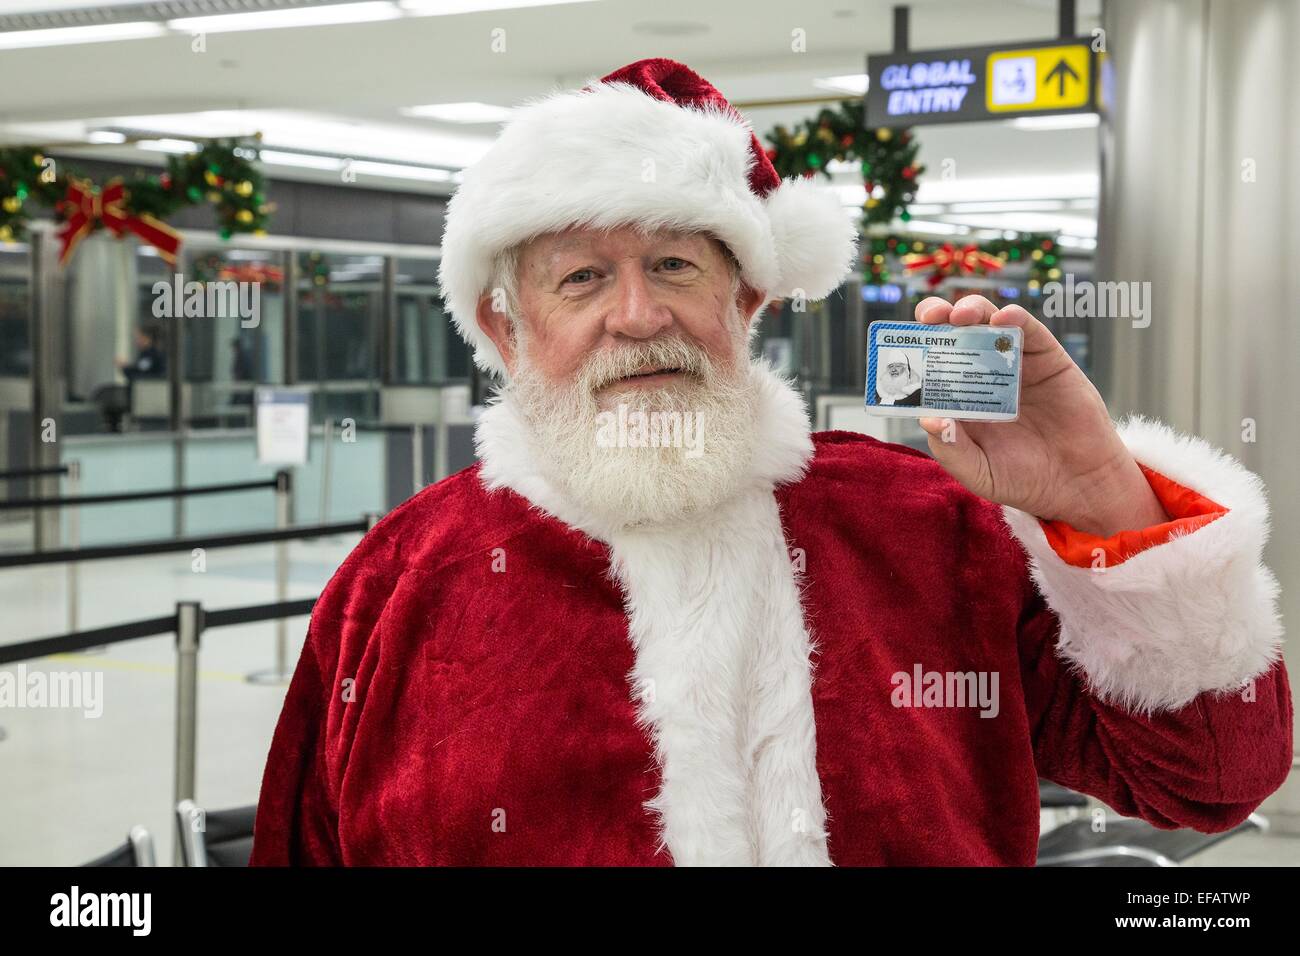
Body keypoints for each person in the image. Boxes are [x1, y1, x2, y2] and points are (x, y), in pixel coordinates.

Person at [250, 58, 1291, 867]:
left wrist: (1097, 495)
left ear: (744, 302)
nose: (637, 314)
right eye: (579, 278)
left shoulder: (924, 523)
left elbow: (1208, 778)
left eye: (673, 265)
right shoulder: (399, 583)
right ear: (504, 325)